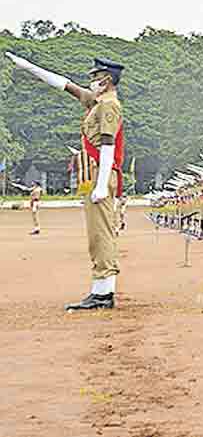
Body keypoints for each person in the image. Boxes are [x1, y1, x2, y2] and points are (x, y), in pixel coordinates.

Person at [7, 53, 126, 310]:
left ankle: (104, 294)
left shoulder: (109, 106)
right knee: (96, 232)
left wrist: (102, 184)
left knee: (101, 232)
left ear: (106, 80)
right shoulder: (96, 101)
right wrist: (30, 67)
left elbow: (108, 145)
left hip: (99, 174)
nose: (90, 81)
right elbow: (64, 84)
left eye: (94, 77)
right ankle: (100, 290)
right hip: (92, 175)